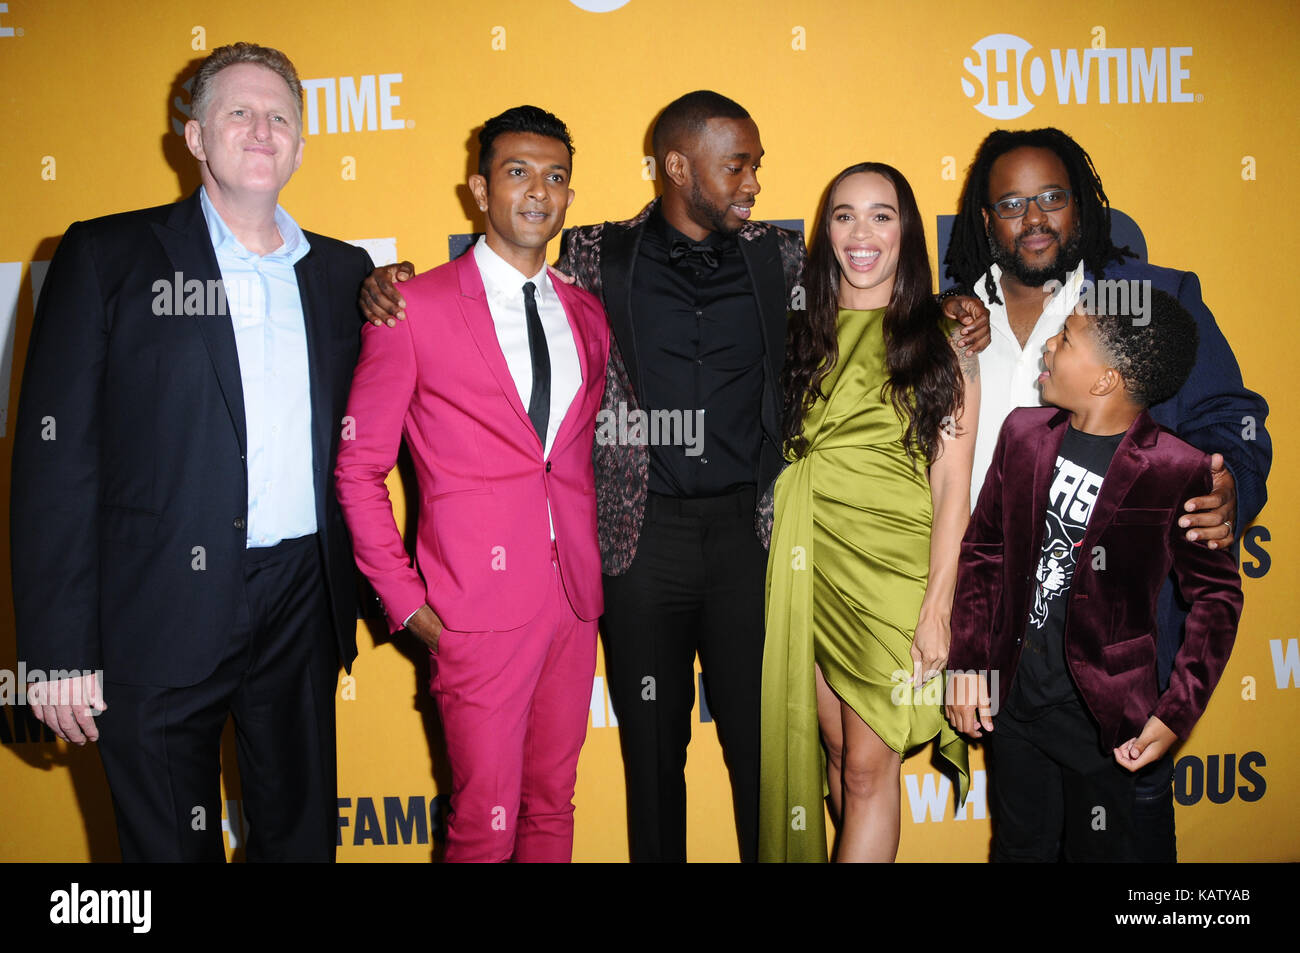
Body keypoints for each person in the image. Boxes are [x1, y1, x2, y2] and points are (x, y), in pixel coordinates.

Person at [358, 92, 990, 863]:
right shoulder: (592, 253)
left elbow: (882, 305)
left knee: (768, 755)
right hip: (636, 541)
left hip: (752, 542)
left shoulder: (782, 258)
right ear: (681, 168)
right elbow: (489, 291)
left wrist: (959, 307)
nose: (754, 179)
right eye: (739, 165)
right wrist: (379, 285)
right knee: (649, 758)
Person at [11, 42, 374, 861]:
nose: (260, 129)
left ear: (301, 144)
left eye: (279, 116)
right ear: (196, 139)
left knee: (303, 843)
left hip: (298, 603)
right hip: (154, 607)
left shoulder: (344, 274)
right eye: (237, 112)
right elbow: (54, 463)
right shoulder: (107, 256)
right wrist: (60, 651)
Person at [942, 127, 1270, 861]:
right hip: (1014, 664)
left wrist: (1229, 493)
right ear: (985, 219)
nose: (1034, 219)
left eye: (1052, 197)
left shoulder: (1147, 299)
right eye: (1013, 203)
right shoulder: (955, 318)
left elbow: (1234, 423)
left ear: (1081, 206)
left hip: (1126, 666)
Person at [334, 106, 609, 863]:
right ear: (478, 190)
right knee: (482, 824)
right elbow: (359, 467)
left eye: (555, 177)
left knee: (553, 806)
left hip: (573, 603)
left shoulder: (587, 313)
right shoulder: (411, 308)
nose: (537, 192)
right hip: (473, 609)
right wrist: (405, 598)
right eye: (516, 172)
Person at [761, 163, 979, 863]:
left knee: (866, 767)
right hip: (809, 564)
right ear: (824, 232)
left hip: (895, 575)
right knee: (834, 751)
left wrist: (939, 607)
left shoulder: (948, 338)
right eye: (844, 215)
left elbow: (954, 485)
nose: (862, 233)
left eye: (882, 216)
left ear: (907, 232)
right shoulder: (794, 335)